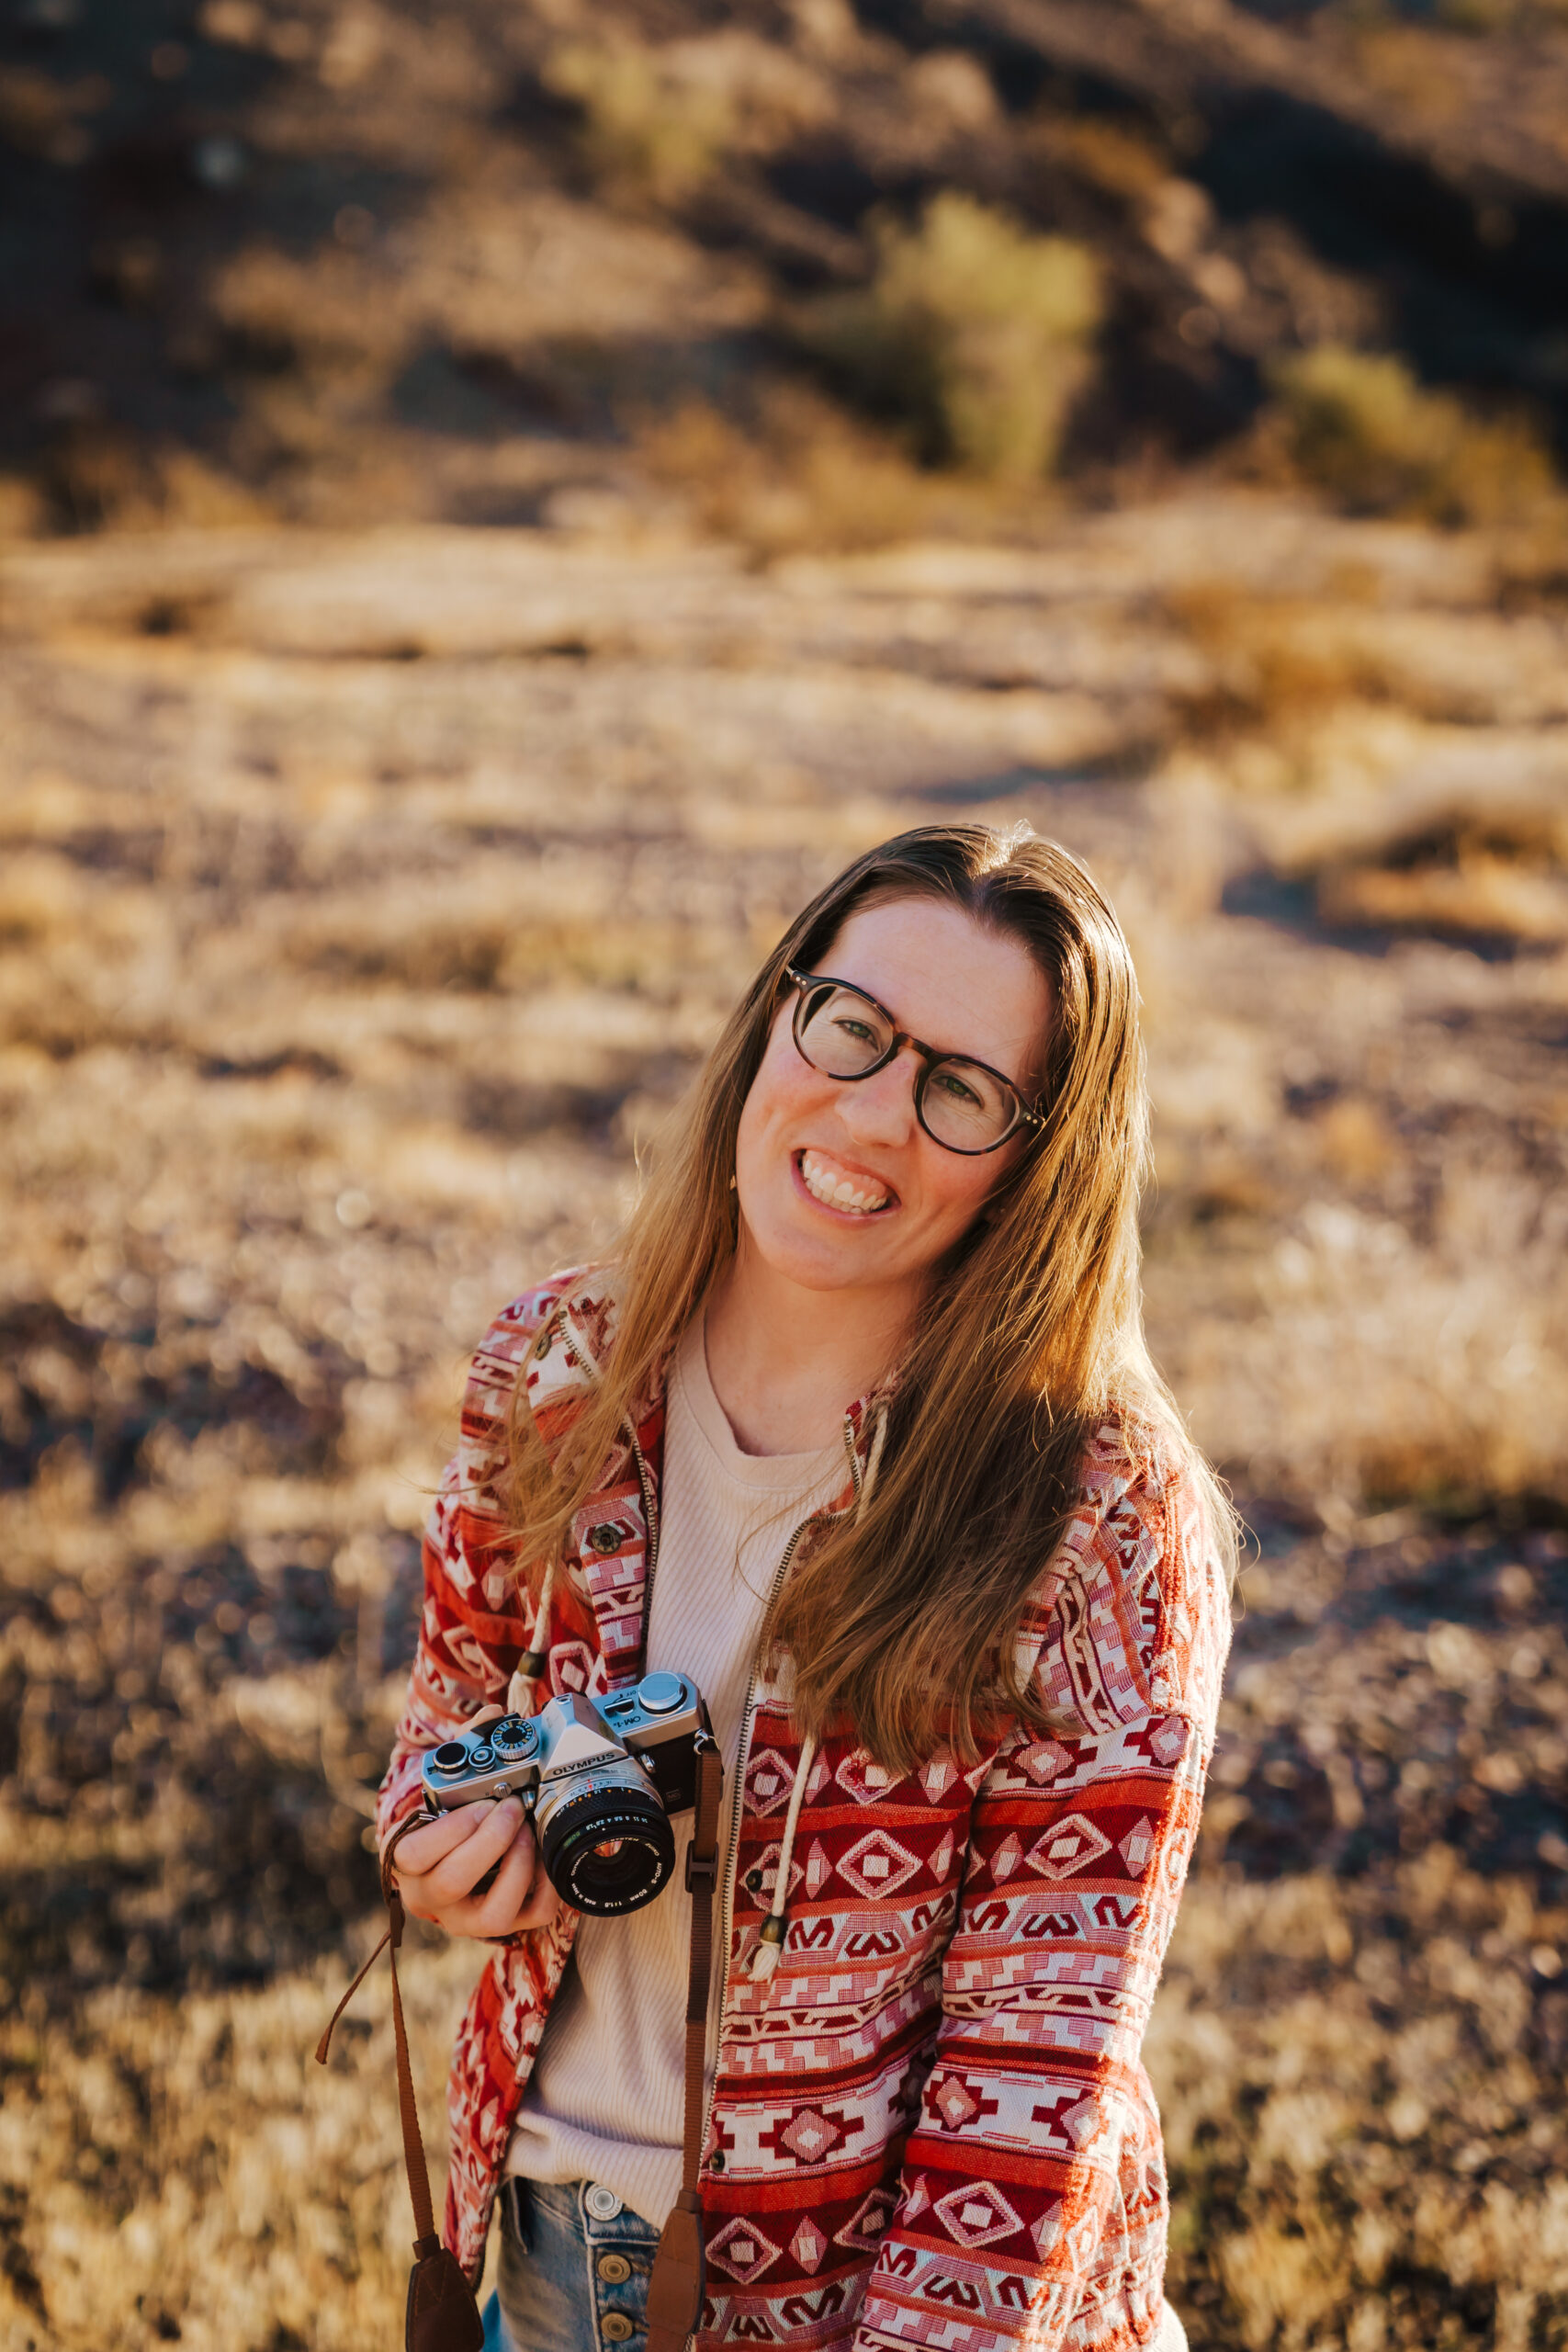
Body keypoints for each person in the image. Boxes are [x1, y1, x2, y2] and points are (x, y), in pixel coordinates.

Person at [378, 822, 1234, 2352]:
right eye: (851, 1025)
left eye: (963, 1089)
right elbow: (443, 1733)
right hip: (547, 2242)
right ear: (778, 1011)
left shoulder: (1097, 1514)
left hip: (892, 2306)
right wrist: (444, 1843)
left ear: (1038, 1165)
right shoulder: (555, 1366)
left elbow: (1031, 2088)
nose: (875, 1112)